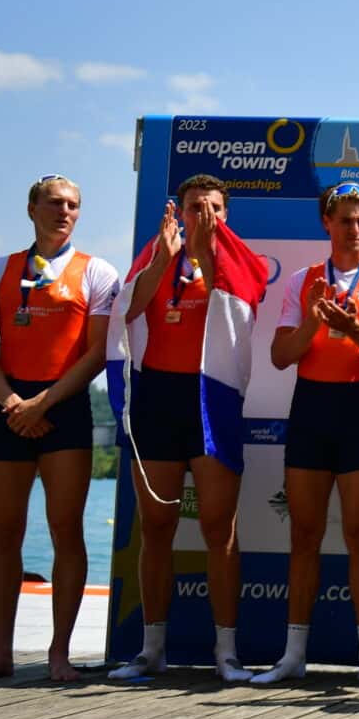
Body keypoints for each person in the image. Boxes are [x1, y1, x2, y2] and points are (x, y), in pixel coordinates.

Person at [253, 184, 359, 686]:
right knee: (303, 536)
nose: (356, 230)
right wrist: (314, 321)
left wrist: (358, 330)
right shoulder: (303, 280)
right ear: (327, 222)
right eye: (346, 220)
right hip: (312, 409)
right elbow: (281, 356)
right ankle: (293, 655)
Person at [0, 175, 119, 682]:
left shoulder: (97, 271)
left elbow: (97, 353)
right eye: (54, 203)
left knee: (66, 530)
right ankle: (0, 654)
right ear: (31, 208)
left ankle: (59, 654)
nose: (65, 212)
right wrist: (12, 403)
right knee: (5, 534)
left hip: (65, 407)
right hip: (7, 408)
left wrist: (44, 402)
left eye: (73, 205)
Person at [110, 175, 257, 682]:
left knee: (220, 529)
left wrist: (205, 252)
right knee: (155, 526)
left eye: (214, 207)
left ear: (225, 214)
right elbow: (125, 311)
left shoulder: (233, 255)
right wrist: (161, 260)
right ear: (179, 209)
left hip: (210, 397)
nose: (205, 215)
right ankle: (152, 650)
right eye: (196, 206)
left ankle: (226, 652)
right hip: (158, 398)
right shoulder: (157, 250)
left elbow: (239, 307)